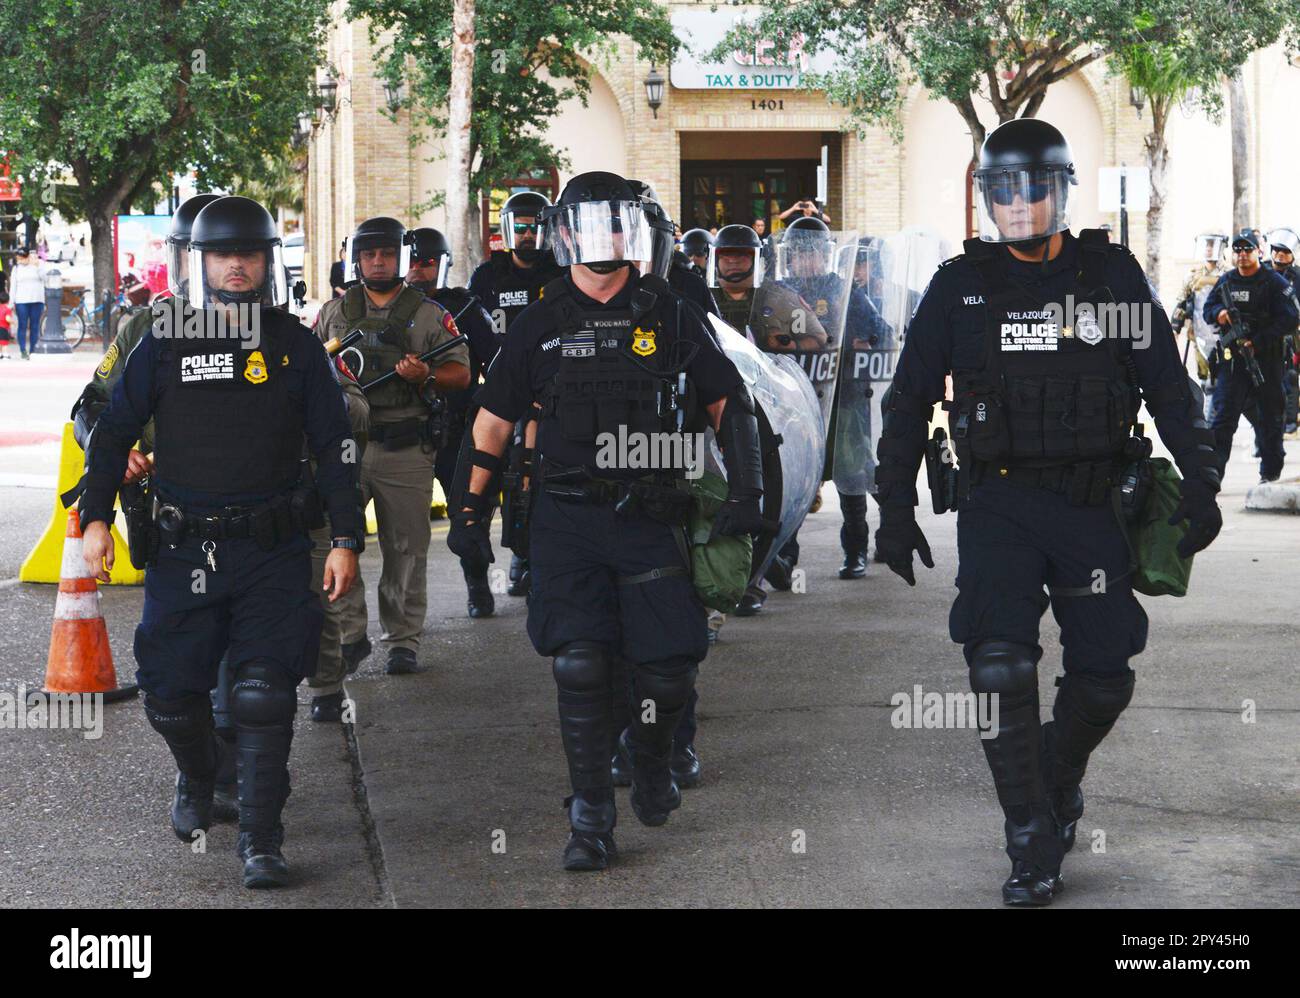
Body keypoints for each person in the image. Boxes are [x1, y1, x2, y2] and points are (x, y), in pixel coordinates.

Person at [874, 118, 1223, 906]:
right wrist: (893, 505)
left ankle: (1057, 781)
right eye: (1003, 190)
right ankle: (1030, 836)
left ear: (1062, 190)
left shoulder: (1111, 278)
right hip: (997, 503)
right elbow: (908, 402)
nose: (1020, 204)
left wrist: (1200, 480)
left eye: (1035, 187)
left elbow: (1169, 387)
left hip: (1090, 503)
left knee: (1103, 677)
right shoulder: (959, 286)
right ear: (985, 198)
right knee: (999, 668)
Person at [448, 171, 764, 871]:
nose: (603, 239)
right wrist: (469, 510)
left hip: (653, 517)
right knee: (582, 664)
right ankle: (590, 815)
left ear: (635, 234)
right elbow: (494, 421)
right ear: (565, 236)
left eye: (615, 224)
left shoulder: (670, 312)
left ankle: (652, 763)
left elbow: (726, 405)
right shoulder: (540, 321)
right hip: (565, 517)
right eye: (588, 225)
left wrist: (749, 490)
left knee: (666, 673)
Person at [76, 195, 364, 888]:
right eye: (223, 255)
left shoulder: (294, 345)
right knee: (170, 694)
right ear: (199, 262)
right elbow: (111, 429)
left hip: (272, 550)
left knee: (265, 695)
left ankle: (263, 840)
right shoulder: (163, 337)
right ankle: (198, 779)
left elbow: (334, 447)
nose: (237, 267)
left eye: (250, 254)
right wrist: (94, 517)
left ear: (268, 262)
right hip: (185, 551)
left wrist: (347, 538)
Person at [314, 217, 470, 675]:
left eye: (386, 253)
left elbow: (461, 374)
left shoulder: (428, 313)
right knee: (333, 543)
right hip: (345, 450)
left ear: (401, 257)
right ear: (356, 259)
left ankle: (402, 640)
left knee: (406, 547)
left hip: (405, 447)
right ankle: (349, 635)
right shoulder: (334, 314)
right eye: (368, 254)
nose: (377, 261)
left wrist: (426, 375)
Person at [468, 190, 563, 598]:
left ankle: (530, 557)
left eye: (535, 227)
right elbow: (472, 335)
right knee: (491, 475)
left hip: (552, 391)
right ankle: (483, 569)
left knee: (541, 473)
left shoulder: (562, 270)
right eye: (520, 227)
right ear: (507, 231)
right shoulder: (487, 276)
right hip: (502, 389)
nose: (527, 235)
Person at [407, 226, 501, 618]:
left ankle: (477, 583)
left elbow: (497, 365)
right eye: (411, 262)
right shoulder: (381, 308)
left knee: (468, 513)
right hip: (404, 430)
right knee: (405, 528)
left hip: (456, 426)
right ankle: (405, 613)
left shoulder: (463, 308)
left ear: (442, 264)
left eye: (426, 263)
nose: (417, 271)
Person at [1202, 229, 1297, 484]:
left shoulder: (1274, 283)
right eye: (1238, 250)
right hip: (1233, 362)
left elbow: (1290, 318)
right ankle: (1213, 476)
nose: (1243, 255)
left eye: (1248, 250)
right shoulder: (1227, 282)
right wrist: (1219, 313)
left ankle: (1270, 472)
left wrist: (1259, 341)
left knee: (1270, 418)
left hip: (1266, 360)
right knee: (1222, 420)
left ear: (1259, 252)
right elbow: (1208, 310)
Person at [1170, 233, 1228, 416]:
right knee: (1205, 377)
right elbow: (1183, 302)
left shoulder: (1228, 274)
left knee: (1221, 377)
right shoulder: (1193, 276)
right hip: (1199, 334)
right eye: (1207, 245)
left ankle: (1216, 415)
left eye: (1213, 245)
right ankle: (1207, 415)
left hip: (1224, 335)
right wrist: (1174, 328)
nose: (1209, 248)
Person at [1264, 227, 1300, 434]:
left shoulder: (1297, 276)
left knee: (1291, 377)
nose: (1280, 255)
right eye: (1276, 250)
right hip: (1265, 334)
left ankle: (1289, 422)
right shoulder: (1261, 272)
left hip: (1292, 335)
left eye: (1285, 251)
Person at [9, 247, 49, 358]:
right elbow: (13, 286)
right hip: (21, 300)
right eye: (18, 257)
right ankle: (23, 350)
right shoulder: (16, 268)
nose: (20, 259)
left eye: (22, 257)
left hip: (37, 300)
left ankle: (32, 350)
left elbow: (46, 279)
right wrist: (11, 303)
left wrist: (38, 267)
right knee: (22, 325)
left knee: (34, 326)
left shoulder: (38, 264)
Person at [0, 292, 14, 359]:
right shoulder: (7, 309)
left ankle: (0, 354)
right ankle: (5, 355)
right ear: (8, 301)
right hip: (3, 328)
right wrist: (13, 322)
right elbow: (7, 318)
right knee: (4, 342)